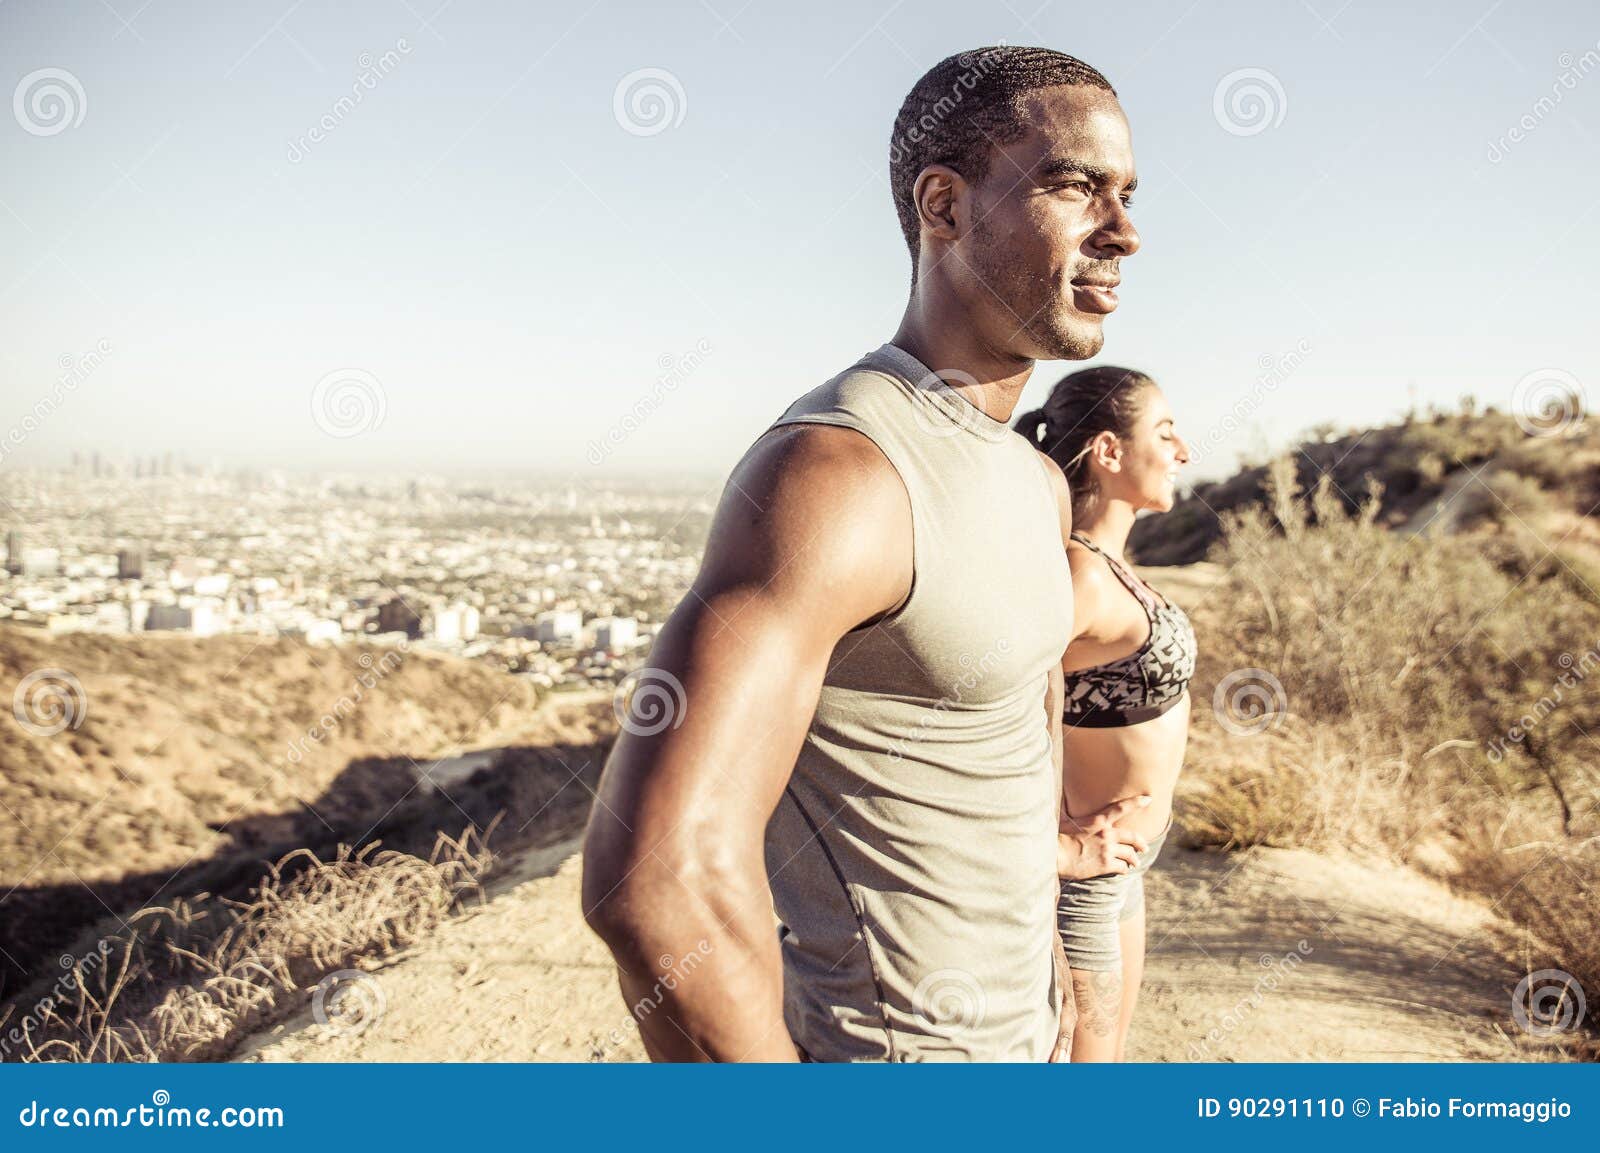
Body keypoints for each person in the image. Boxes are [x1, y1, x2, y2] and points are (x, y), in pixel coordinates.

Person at [581, 44, 1141, 1062]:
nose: (1124, 232)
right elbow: (658, 882)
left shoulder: (1033, 481)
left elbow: (1006, 774)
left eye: (1127, 194)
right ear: (943, 206)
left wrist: (1052, 990)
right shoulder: (839, 475)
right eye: (1074, 187)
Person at [1014, 366, 1195, 1061]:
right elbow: (983, 711)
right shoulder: (1081, 575)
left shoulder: (1112, 566)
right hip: (1081, 877)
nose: (1183, 450)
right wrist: (1054, 848)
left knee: (1106, 1061)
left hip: (1124, 863)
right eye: (1166, 431)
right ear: (1109, 451)